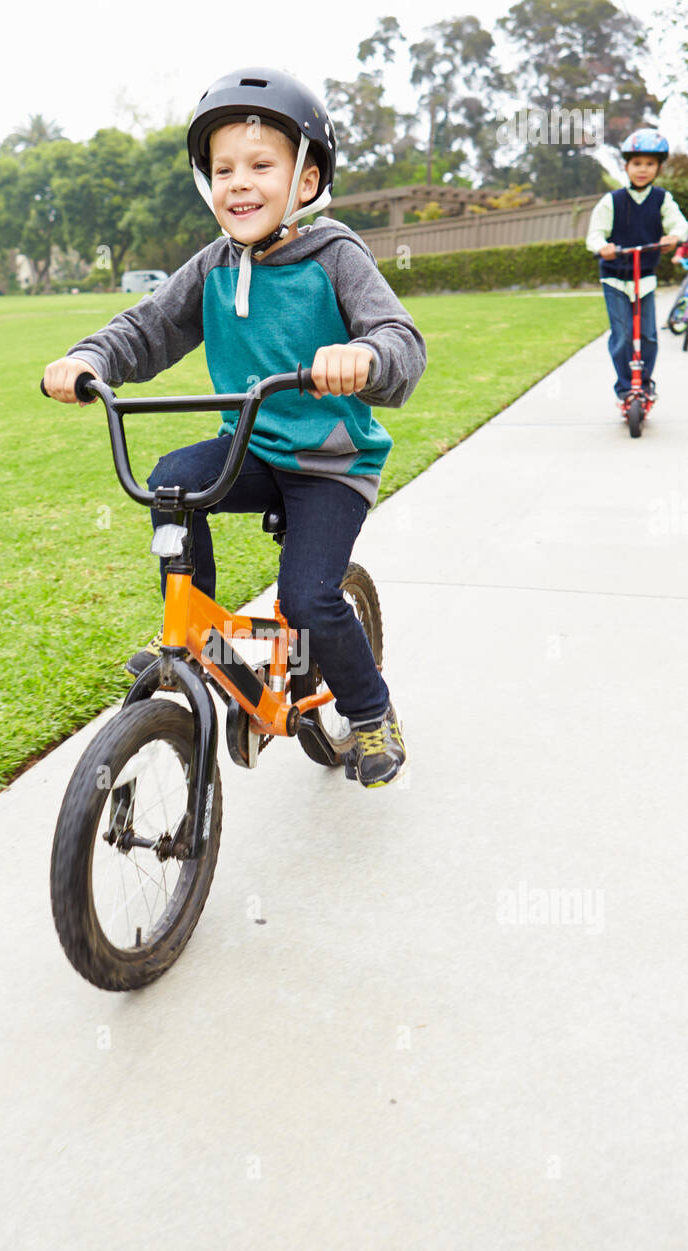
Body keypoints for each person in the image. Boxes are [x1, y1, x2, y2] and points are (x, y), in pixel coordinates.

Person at [43, 67, 427, 788]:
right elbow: (149, 327)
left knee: (308, 599)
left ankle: (371, 711)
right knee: (172, 482)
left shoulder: (336, 256)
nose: (239, 183)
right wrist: (88, 358)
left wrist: (365, 355)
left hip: (329, 463)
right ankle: (195, 641)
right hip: (251, 448)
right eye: (223, 169)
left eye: (260, 165)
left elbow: (403, 346)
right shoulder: (213, 266)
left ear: (306, 182)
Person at [585, 128, 688, 403]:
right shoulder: (612, 201)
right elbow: (594, 235)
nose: (643, 170)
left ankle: (644, 384)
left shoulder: (662, 199)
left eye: (650, 164)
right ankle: (625, 388)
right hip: (615, 278)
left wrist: (674, 236)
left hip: (645, 277)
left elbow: (680, 224)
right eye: (637, 163)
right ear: (626, 166)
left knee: (649, 336)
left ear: (659, 167)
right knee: (622, 336)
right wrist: (602, 247)